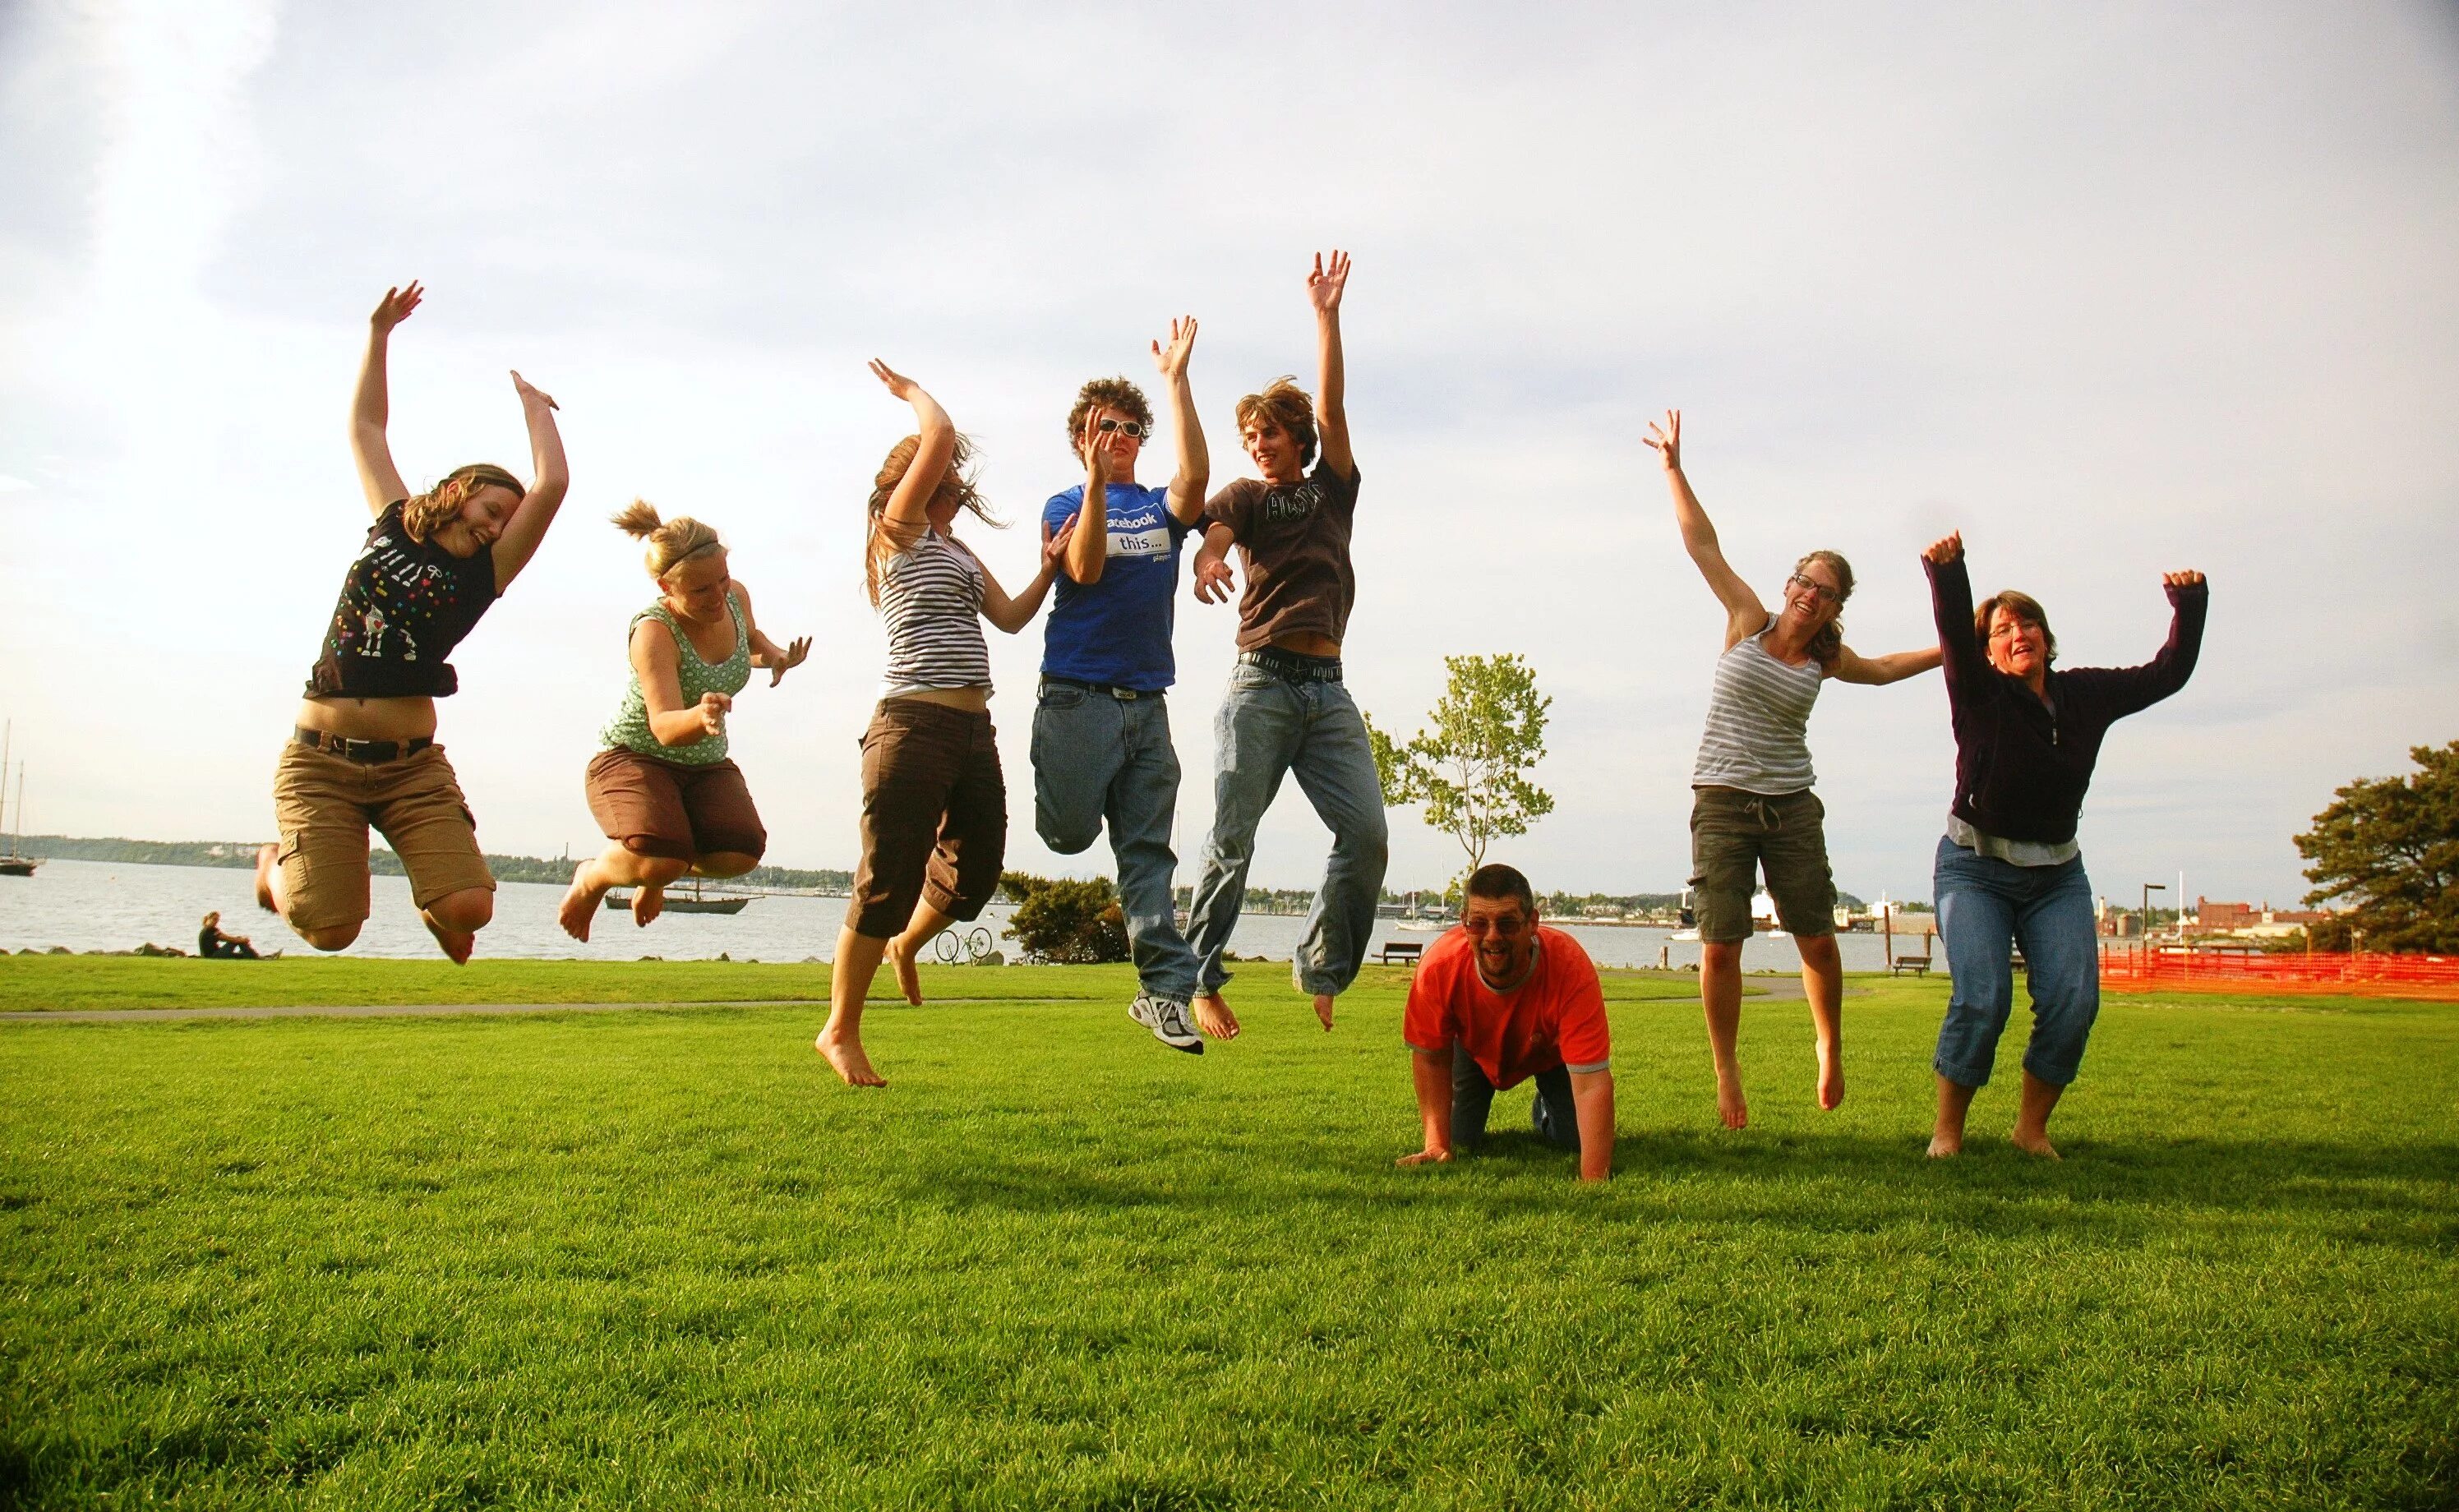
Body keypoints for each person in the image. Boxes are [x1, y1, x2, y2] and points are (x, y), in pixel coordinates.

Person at [1644, 410, 1941, 1129]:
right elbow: (1702, 545)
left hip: (1790, 804)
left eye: (1826, 590)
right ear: (1790, 585)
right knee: (1721, 945)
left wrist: (1950, 649)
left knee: (1816, 937)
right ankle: (1727, 1072)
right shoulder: (1747, 619)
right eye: (1805, 581)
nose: (1811, 595)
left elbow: (1886, 669)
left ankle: (1829, 1043)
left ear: (1837, 605)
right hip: (1720, 800)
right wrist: (1675, 469)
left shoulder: (1826, 660)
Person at [253, 283, 568, 962]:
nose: (496, 527)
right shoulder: (393, 522)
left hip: (411, 770)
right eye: (492, 509)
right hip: (321, 764)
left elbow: (552, 487)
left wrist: (535, 408)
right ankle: (272, 870)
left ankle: (438, 908)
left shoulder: (485, 576)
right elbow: (367, 430)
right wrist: (379, 334)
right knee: (330, 931)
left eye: (507, 525)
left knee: (469, 907)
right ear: (459, 490)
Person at [816, 362, 1075, 1087]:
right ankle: (840, 1030)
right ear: (920, 484)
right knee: (885, 878)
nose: (959, 485)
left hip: (971, 730)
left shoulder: (956, 550)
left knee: (978, 869)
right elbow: (940, 431)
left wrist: (1050, 567)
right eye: (949, 477)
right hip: (910, 725)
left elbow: (1013, 618)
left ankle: (906, 946)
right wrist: (910, 395)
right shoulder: (896, 533)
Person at [1920, 531, 2207, 1158]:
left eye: (2029, 625)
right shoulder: (1977, 692)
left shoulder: (2084, 695)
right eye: (2002, 630)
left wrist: (2189, 606)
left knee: (2075, 1000)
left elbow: (2168, 673)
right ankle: (1948, 1132)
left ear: (2046, 639)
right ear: (1987, 651)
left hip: (2056, 875)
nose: (2018, 635)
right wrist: (1948, 572)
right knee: (1983, 996)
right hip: (1975, 868)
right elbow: (1951, 635)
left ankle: (2030, 1128)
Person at [1184, 251, 1386, 1038]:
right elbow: (1220, 528)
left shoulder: (1332, 486)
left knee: (1366, 835)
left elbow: (1334, 414)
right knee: (1233, 837)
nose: (1257, 442)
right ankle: (1199, 977)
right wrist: (1207, 557)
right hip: (1261, 685)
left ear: (1294, 437)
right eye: (1249, 434)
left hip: (1328, 690)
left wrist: (1326, 318)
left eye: (1267, 431)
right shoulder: (1246, 496)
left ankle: (1324, 967)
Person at [1034, 320, 1212, 1053]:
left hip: (1150, 704)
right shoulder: (1065, 506)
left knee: (1147, 853)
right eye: (1107, 427)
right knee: (1069, 836)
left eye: (1132, 428)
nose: (1122, 436)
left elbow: (1196, 481)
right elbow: (1084, 571)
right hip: (1077, 698)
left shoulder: (1162, 509)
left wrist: (1176, 385)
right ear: (1083, 435)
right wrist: (1095, 478)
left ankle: (1163, 993)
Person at [557, 502, 810, 941]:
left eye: (722, 580)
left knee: (741, 852)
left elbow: (749, 640)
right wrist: (699, 714)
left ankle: (660, 869)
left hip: (704, 763)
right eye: (700, 591)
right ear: (666, 587)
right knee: (662, 856)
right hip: (634, 758)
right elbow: (665, 726)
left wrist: (776, 658)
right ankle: (595, 876)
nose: (717, 596)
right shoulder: (654, 632)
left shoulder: (735, 598)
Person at [1396, 864, 1616, 1182]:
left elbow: (1593, 1081)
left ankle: (1545, 1107)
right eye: (1478, 923)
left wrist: (1594, 1178)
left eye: (1507, 924)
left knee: (1575, 1140)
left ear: (1533, 923)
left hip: (1550, 1054)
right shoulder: (1438, 967)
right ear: (1463, 923)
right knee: (1460, 1140)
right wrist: (1436, 1145)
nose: (1492, 937)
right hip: (1472, 1052)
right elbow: (1430, 1059)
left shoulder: (1569, 965)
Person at [196, 912, 260, 960]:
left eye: (217, 920)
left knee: (240, 955)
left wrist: (241, 940)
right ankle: (252, 955)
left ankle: (250, 955)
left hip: (212, 955)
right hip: (212, 956)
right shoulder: (210, 930)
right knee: (237, 940)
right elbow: (229, 939)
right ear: (209, 919)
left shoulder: (207, 929)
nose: (216, 922)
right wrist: (243, 940)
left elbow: (224, 938)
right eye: (214, 919)